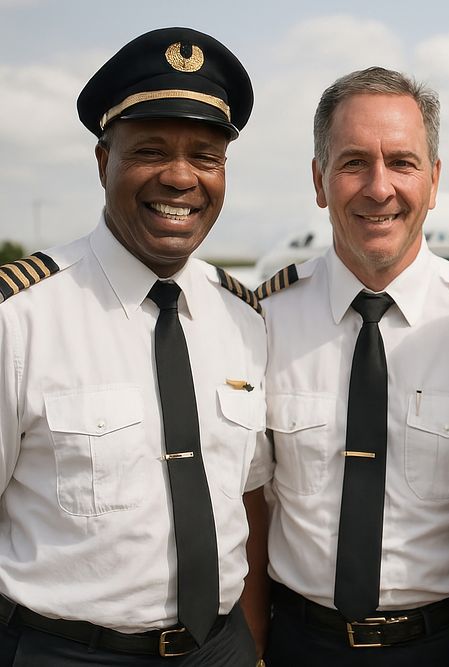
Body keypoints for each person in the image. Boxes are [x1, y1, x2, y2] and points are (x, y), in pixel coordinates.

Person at [0, 27, 269, 666]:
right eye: (150, 150)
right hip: (67, 651)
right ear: (103, 162)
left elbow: (247, 498)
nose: (180, 178)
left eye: (206, 157)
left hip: (220, 648)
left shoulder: (245, 317)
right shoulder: (21, 317)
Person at [255, 66, 449, 666]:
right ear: (320, 180)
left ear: (433, 181)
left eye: (402, 163)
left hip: (446, 645)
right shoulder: (263, 321)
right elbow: (246, 501)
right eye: (354, 163)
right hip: (298, 643)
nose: (379, 188)